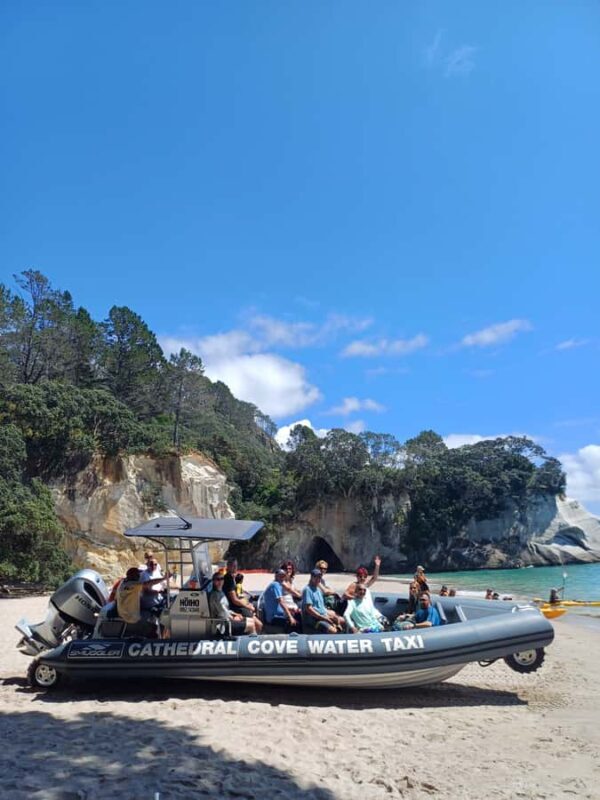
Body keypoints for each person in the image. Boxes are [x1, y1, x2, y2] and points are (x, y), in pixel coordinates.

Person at [223, 558, 263, 633]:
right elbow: (234, 600)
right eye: (232, 566)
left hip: (237, 606)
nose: (234, 568)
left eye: (235, 566)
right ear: (228, 566)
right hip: (236, 608)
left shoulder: (231, 578)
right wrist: (248, 606)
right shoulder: (229, 579)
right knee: (259, 625)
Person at [302, 569, 345, 634]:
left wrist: (330, 614)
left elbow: (321, 607)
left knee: (341, 620)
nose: (318, 579)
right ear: (311, 577)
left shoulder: (318, 589)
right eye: (315, 577)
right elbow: (309, 609)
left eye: (319, 577)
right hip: (314, 619)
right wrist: (323, 618)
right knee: (333, 631)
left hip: (323, 615)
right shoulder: (307, 590)